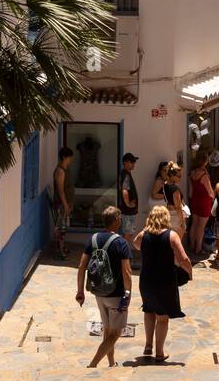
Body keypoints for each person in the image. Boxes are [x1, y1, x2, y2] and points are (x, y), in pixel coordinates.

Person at [76, 206, 133, 368]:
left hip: (99, 292)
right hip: (116, 294)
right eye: (120, 218)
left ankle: (111, 362)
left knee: (108, 330)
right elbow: (127, 272)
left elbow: (81, 266)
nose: (121, 220)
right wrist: (127, 294)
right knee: (115, 333)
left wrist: (80, 291)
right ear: (116, 220)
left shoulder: (93, 239)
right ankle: (93, 364)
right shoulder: (121, 243)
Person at [133, 206, 192, 362]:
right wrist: (190, 272)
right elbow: (183, 259)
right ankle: (159, 352)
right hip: (165, 280)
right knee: (162, 317)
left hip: (146, 280)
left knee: (148, 310)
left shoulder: (143, 235)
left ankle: (148, 345)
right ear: (166, 218)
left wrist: (146, 230)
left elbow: (136, 244)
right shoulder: (171, 236)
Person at [188, 149, 214, 258]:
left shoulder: (192, 173)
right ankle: (198, 248)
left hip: (195, 200)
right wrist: (214, 196)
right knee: (201, 227)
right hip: (204, 202)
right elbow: (210, 192)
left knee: (194, 224)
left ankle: (191, 246)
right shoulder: (204, 175)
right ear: (204, 161)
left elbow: (190, 192)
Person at [52, 146, 75, 258]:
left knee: (64, 227)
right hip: (61, 204)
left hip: (67, 203)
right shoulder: (60, 171)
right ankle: (59, 250)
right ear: (64, 157)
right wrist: (65, 205)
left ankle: (62, 247)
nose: (71, 159)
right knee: (60, 227)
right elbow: (60, 191)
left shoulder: (67, 169)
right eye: (69, 157)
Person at [117, 151, 140, 248]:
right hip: (127, 211)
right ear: (125, 162)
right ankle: (124, 254)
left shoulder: (125, 174)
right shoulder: (125, 174)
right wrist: (128, 204)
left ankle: (124, 253)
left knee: (128, 233)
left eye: (134, 161)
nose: (134, 163)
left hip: (128, 211)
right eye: (131, 162)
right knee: (127, 234)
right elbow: (125, 190)